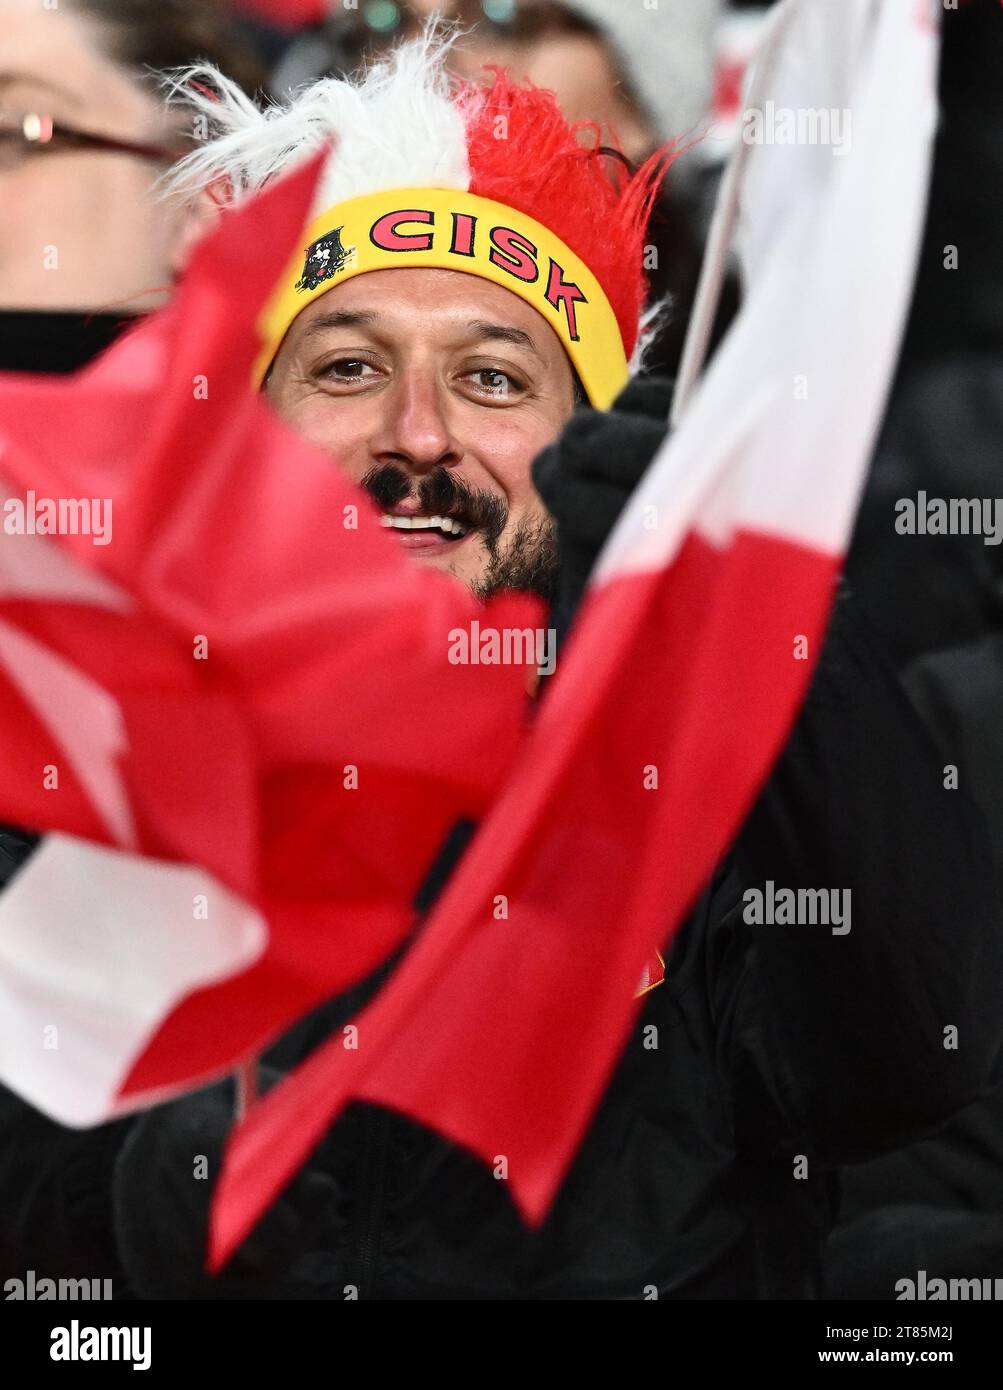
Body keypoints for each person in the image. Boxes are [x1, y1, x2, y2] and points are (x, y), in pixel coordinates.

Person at [1, 32, 1000, 1300]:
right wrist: (188, 1180)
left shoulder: (709, 780)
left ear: (586, 444)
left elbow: (910, 1054)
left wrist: (778, 634)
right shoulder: (80, 745)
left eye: (490, 378)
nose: (418, 436)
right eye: (349, 366)